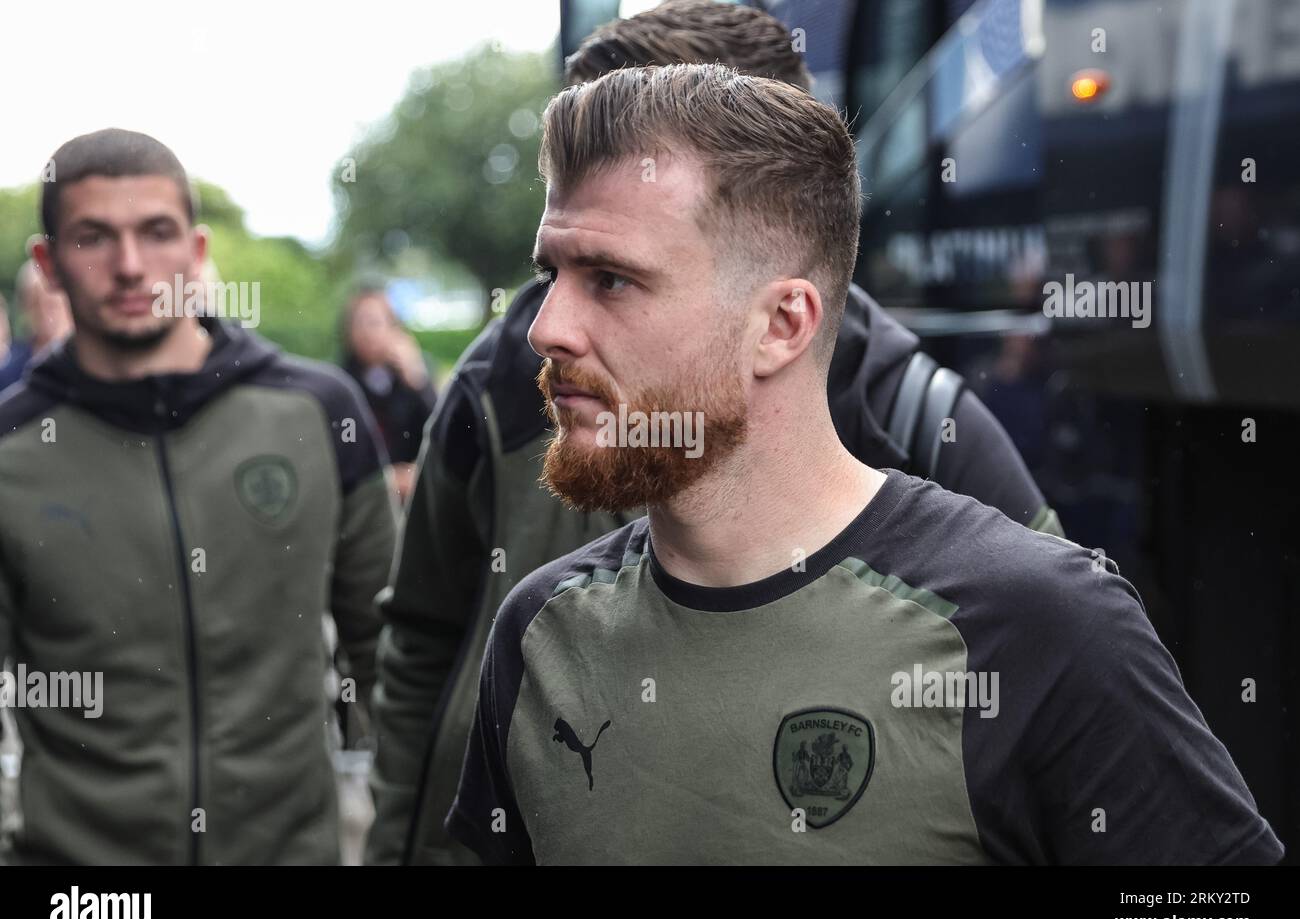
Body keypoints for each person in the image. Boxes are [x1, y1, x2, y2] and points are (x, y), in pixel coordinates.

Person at [445, 63, 1283, 865]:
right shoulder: (538, 635)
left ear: (780, 325)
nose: (545, 327)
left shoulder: (1041, 627)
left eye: (612, 280)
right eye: (552, 273)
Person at [367, 0, 1064, 866]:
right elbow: (424, 638)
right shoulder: (499, 395)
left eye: (618, 272)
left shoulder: (918, 417)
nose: (553, 325)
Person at [0, 128, 398, 864]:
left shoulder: (317, 412)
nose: (129, 266)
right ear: (49, 264)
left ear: (198, 250)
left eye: (156, 233)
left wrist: (399, 843)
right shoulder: (12, 451)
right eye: (94, 238)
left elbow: (394, 663)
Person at [339, 286, 436, 503]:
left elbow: (439, 433)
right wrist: (386, 478)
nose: (366, 332)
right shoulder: (341, 382)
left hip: (413, 491)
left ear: (394, 328)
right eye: (359, 322)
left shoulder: (414, 375)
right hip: (363, 494)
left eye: (374, 322)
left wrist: (418, 380)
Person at [0, 259, 74, 393]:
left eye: (52, 304)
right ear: (25, 307)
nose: (44, 312)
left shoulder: (89, 362)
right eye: (35, 303)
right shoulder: (8, 371)